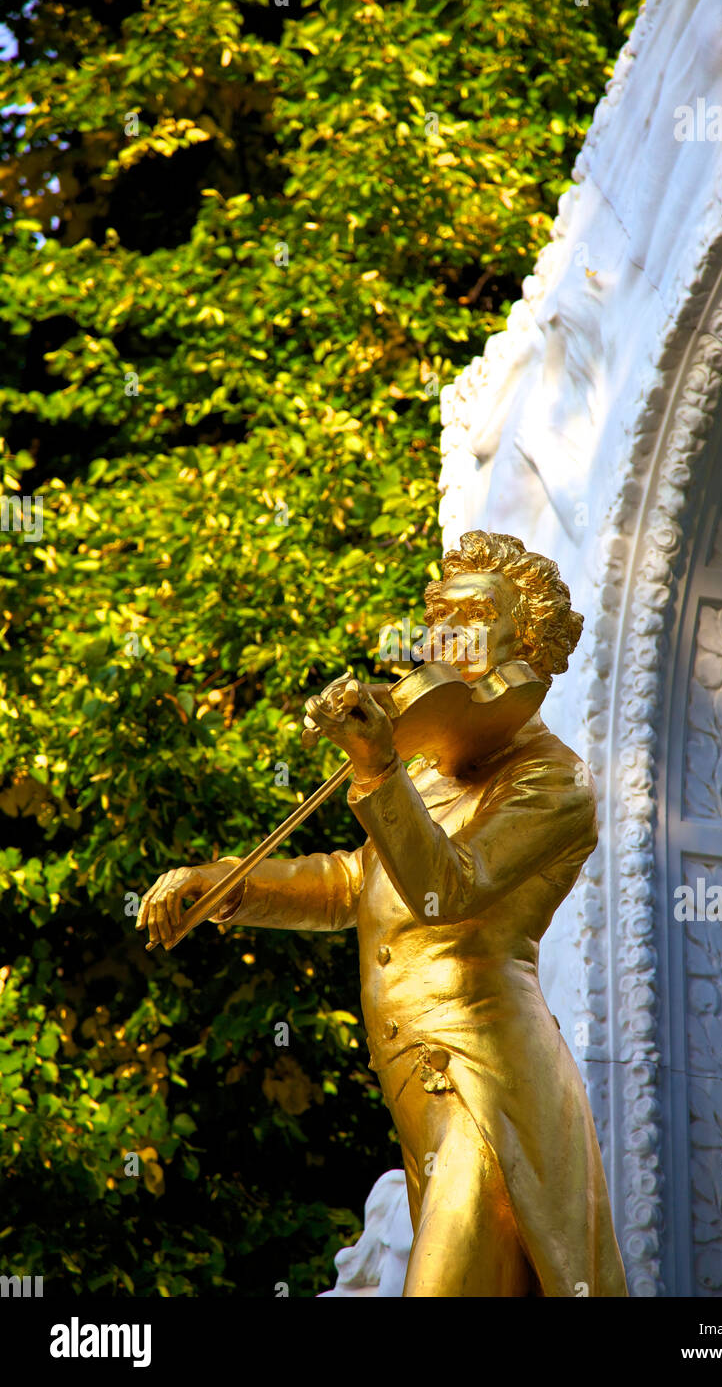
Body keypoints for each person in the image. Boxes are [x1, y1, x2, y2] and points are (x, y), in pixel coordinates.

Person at [138, 530, 628, 1297]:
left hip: (487, 1083)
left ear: (525, 637)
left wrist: (377, 768)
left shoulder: (554, 781)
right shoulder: (427, 773)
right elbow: (349, 884)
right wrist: (223, 882)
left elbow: (447, 889)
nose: (442, 636)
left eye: (468, 616)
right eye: (436, 618)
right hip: (412, 1092)